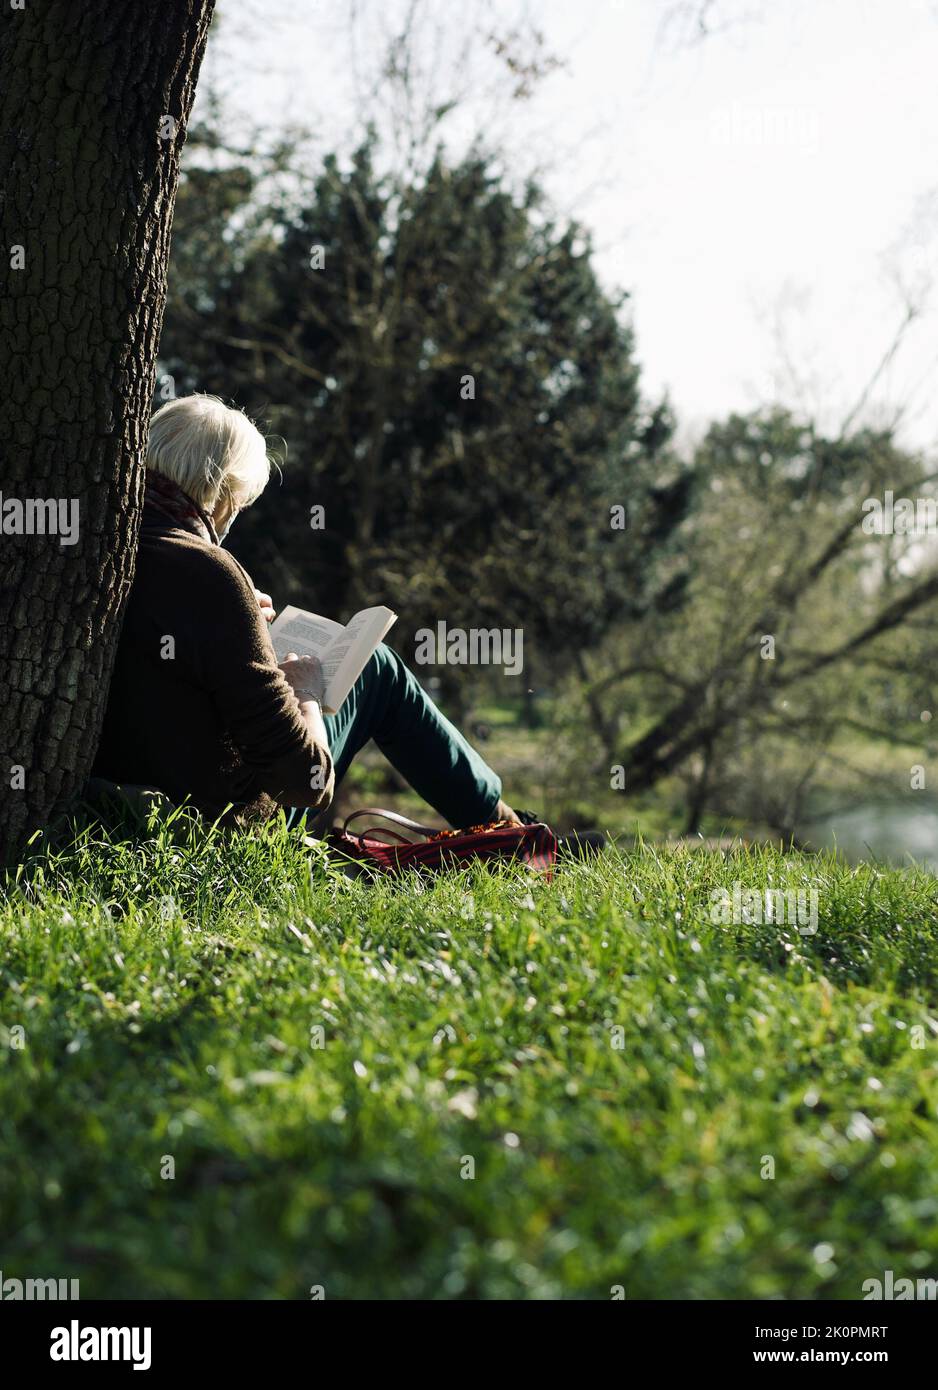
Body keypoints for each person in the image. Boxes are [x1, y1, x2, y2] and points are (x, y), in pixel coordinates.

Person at [92, 393, 523, 831]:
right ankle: (507, 831)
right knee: (378, 667)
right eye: (240, 503)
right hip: (218, 825)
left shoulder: (98, 549)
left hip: (121, 807)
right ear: (222, 493)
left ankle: (504, 825)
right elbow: (306, 780)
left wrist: (242, 625)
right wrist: (307, 694)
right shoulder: (211, 573)